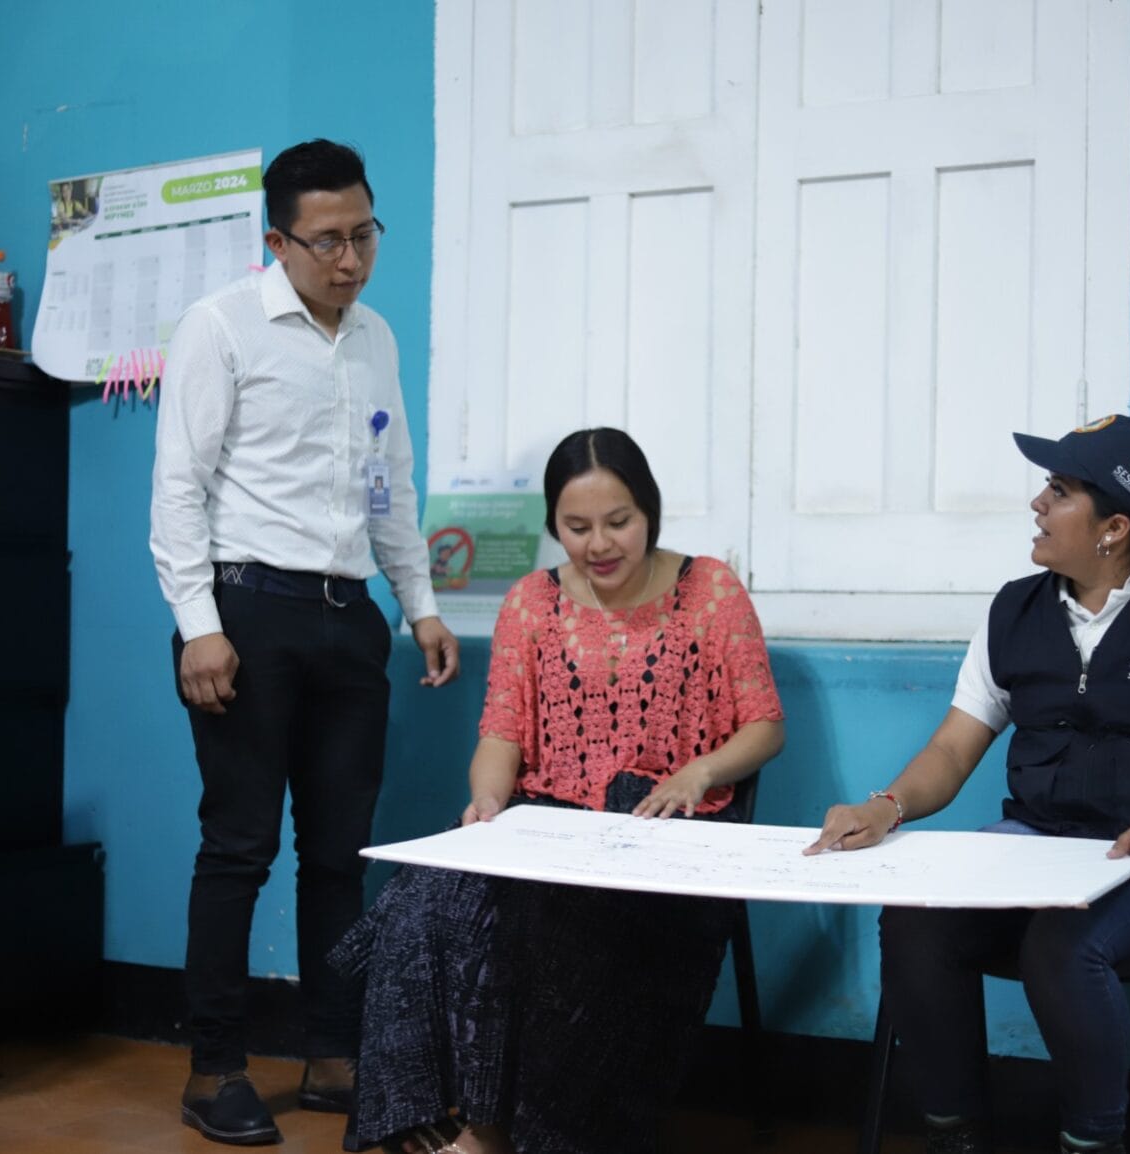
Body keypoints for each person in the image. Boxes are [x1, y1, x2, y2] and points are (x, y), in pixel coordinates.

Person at [807, 415, 1130, 1154]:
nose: (1038, 504)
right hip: (1041, 851)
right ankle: (956, 1132)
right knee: (917, 919)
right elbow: (952, 745)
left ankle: (1093, 1143)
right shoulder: (1016, 610)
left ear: (1115, 528)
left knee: (1063, 944)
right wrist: (886, 806)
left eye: (1060, 490)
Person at [331, 426, 786, 1154]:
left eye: (619, 523)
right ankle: (422, 1120)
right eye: (577, 528)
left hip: (667, 826)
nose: (600, 544)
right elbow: (501, 735)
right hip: (546, 821)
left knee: (556, 924)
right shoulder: (530, 604)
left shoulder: (710, 591)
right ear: (554, 526)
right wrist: (486, 803)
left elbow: (763, 726)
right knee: (421, 904)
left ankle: (501, 1133)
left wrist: (696, 772)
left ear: (650, 514)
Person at [150, 138, 461, 1146]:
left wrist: (416, 602)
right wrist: (199, 625)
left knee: (338, 853)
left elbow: (389, 483)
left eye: (364, 233)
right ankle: (215, 1066)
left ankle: (336, 1054)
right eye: (326, 240)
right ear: (278, 240)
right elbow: (179, 488)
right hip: (247, 612)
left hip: (346, 616)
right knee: (238, 846)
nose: (351, 258)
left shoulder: (373, 339)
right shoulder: (221, 327)